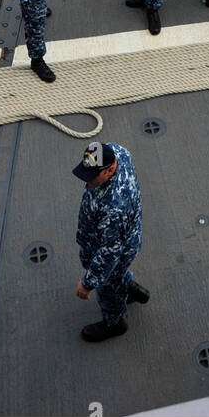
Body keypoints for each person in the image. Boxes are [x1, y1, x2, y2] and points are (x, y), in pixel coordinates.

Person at [74, 140, 148, 344]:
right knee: (117, 275)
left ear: (109, 170)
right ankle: (127, 287)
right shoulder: (117, 151)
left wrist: (88, 284)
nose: (87, 182)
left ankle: (114, 322)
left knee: (107, 288)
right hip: (128, 236)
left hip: (114, 247)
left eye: (92, 177)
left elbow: (109, 252)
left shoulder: (113, 208)